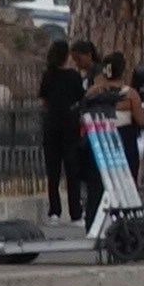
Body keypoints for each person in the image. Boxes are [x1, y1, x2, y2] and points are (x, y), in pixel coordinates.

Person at [38, 33, 97, 224]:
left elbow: (43, 100)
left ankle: (54, 211)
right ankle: (76, 213)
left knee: (53, 171)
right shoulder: (73, 76)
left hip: (51, 125)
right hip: (70, 125)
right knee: (72, 170)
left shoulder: (48, 75)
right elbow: (81, 98)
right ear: (66, 56)